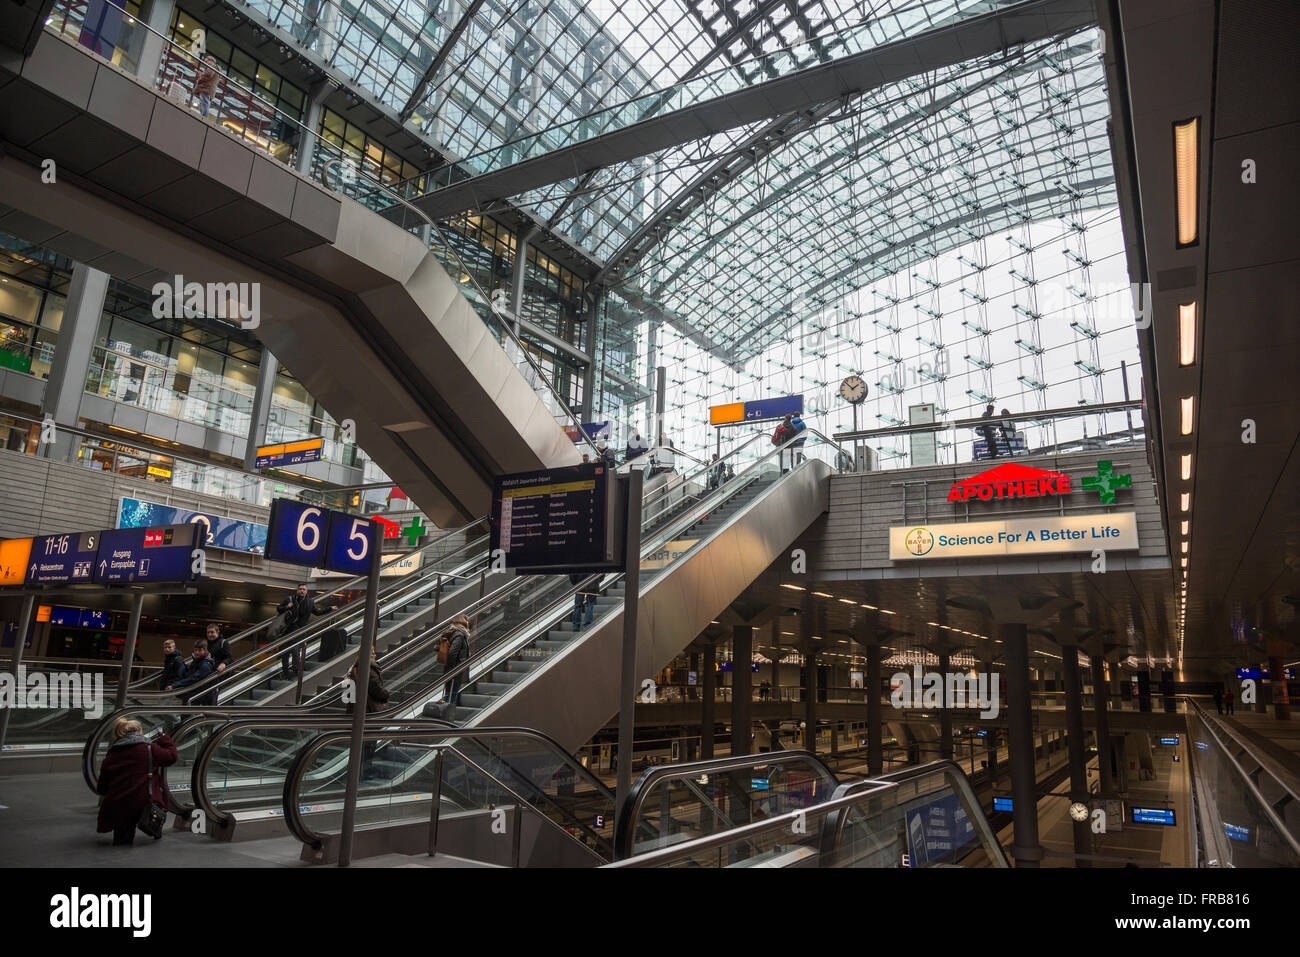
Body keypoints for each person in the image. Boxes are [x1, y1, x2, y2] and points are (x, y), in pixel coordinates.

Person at [96, 718, 178, 845]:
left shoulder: (113, 753)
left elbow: (103, 782)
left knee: (122, 831)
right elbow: (171, 757)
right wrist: (164, 739)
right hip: (144, 799)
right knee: (153, 802)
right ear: (140, 731)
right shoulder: (150, 748)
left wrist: (105, 794)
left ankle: (122, 842)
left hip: (118, 801)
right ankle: (155, 829)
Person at [277, 583, 320, 678]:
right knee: (285, 652)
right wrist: (287, 606)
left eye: (304, 589)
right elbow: (279, 609)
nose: (302, 591)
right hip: (288, 630)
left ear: (306, 591)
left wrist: (330, 608)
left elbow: (317, 612)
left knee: (296, 651)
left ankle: (296, 671)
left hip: (300, 631)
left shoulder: (310, 602)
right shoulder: (290, 599)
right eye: (300, 589)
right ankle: (285, 672)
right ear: (297, 590)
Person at [439, 614, 473, 707]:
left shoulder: (451, 632)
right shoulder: (459, 635)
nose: (468, 623)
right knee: (452, 694)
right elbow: (452, 653)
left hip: (450, 668)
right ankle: (446, 714)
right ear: (462, 622)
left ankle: (443, 711)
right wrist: (455, 668)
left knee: (449, 693)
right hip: (455, 670)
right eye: (467, 621)